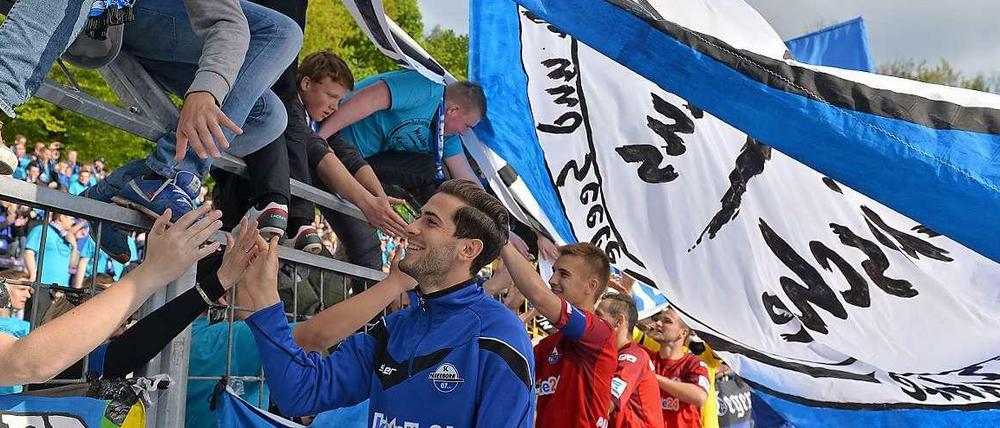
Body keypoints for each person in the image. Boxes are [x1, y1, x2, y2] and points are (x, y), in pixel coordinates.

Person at [244, 179, 535, 427]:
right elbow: (300, 393)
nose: (411, 227)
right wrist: (266, 298)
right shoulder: (393, 329)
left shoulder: (500, 336)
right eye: (418, 217)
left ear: (468, 249)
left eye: (430, 221)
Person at [0, 204, 224, 387]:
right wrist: (154, 271)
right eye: (108, 300)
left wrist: (220, 281)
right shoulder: (72, 363)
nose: (126, 314)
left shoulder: (84, 359)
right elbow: (133, 347)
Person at [316, 70, 485, 202]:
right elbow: (368, 99)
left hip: (364, 159)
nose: (464, 132)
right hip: (337, 136)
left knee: (436, 173)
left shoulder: (446, 135)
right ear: (452, 110)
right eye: (467, 126)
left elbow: (467, 178)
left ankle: (430, 226)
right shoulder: (426, 88)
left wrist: (495, 216)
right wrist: (319, 139)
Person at [501, 240, 619, 428]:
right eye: (554, 271)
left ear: (591, 286)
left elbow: (539, 296)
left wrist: (503, 242)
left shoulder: (600, 333)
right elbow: (511, 373)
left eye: (563, 274)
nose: (552, 280)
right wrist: (510, 310)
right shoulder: (550, 343)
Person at [595, 293, 664, 428]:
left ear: (619, 321)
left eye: (599, 315)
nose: (593, 320)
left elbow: (605, 404)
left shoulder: (634, 356)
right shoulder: (607, 355)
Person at [647, 307, 711, 428]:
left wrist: (654, 378)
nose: (658, 323)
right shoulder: (646, 358)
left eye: (667, 321)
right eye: (658, 319)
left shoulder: (693, 364)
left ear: (683, 332)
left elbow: (700, 397)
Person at [0, 270, 32, 395]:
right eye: (22, 289)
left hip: (14, 399)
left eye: (28, 290)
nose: (28, 295)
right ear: (3, 289)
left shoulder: (25, 326)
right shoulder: (25, 327)